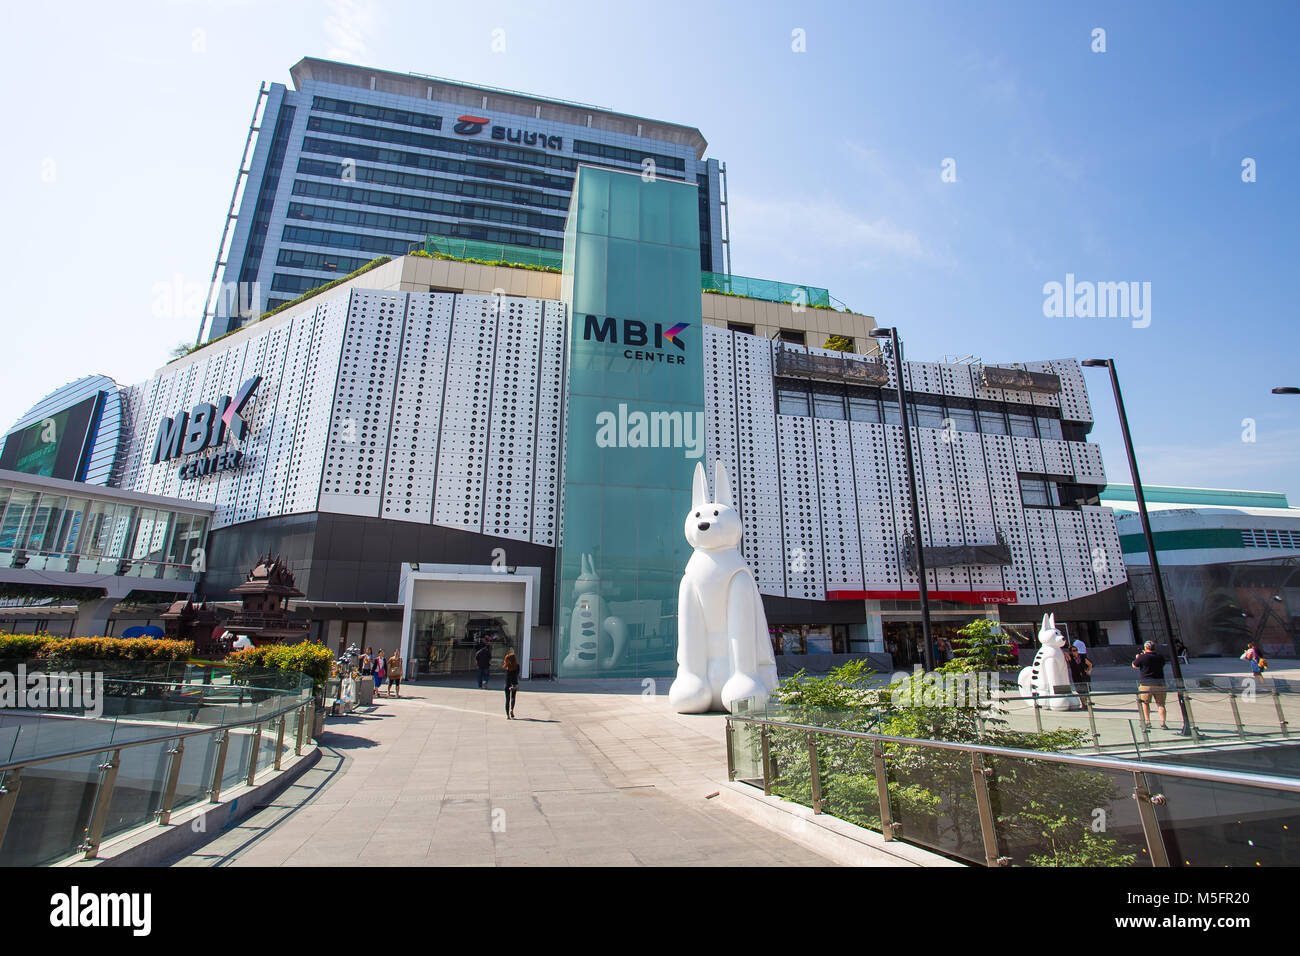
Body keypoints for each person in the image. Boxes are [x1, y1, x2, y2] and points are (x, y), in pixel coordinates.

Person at [1132, 640, 1168, 730]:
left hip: (1146, 683)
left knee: (1145, 703)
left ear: (1146, 648)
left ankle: (1147, 721)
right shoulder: (1160, 657)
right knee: (1161, 704)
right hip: (1160, 682)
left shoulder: (1142, 657)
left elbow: (1134, 665)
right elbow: (1163, 664)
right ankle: (1163, 723)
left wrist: (1137, 657)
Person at [503, 651, 521, 718]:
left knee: (507, 699)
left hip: (507, 684)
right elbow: (517, 673)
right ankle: (511, 710)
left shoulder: (506, 667)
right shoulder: (517, 666)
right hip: (514, 683)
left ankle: (507, 715)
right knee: (513, 697)